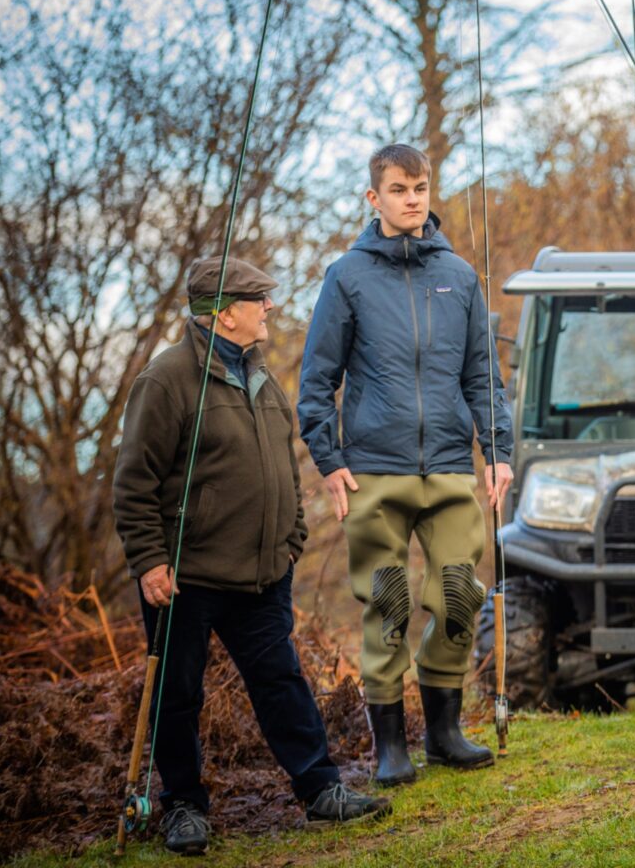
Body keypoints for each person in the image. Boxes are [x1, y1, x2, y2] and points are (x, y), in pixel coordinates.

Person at [113, 257, 389, 856]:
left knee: (282, 680)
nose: (268, 307)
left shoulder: (261, 377)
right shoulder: (165, 381)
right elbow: (134, 482)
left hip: (263, 573)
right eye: (256, 299)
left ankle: (321, 792)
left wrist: (291, 538)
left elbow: (282, 466)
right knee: (177, 695)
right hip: (185, 577)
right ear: (221, 312)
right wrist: (150, 562)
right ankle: (183, 807)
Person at [298, 144, 514, 785]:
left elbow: (483, 376)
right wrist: (329, 460)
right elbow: (317, 378)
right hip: (374, 470)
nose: (412, 199)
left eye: (420, 187)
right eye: (397, 189)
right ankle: (389, 745)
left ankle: (445, 732)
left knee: (458, 596)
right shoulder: (348, 277)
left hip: (448, 465)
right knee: (388, 605)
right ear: (374, 198)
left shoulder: (461, 277)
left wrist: (497, 452)